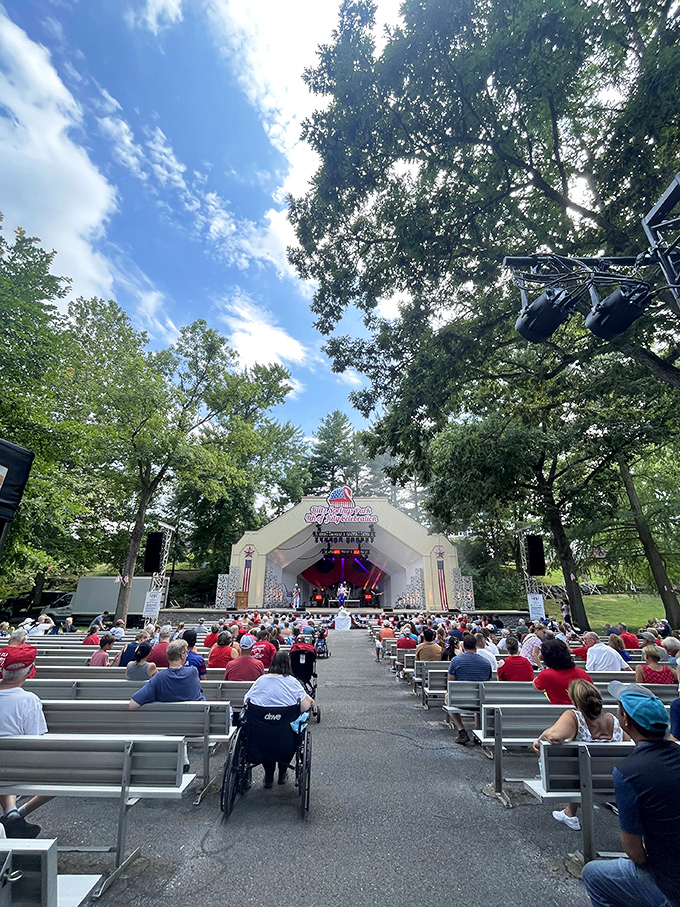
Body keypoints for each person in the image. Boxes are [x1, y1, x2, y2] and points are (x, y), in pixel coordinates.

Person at [581, 682, 680, 907]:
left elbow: (635, 852)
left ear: (625, 721)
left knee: (593, 874)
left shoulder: (628, 772)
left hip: (670, 885)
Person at [533, 679, 627, 831]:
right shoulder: (613, 719)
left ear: (575, 699)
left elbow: (555, 737)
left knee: (581, 768)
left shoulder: (575, 717)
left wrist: (541, 737)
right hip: (612, 781)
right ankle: (569, 813)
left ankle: (570, 814)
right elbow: (627, 744)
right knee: (584, 767)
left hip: (578, 781)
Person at [0, 647, 53, 838]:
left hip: (6, 765)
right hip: (16, 767)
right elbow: (35, 743)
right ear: (31, 671)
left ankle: (12, 814)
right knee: (63, 775)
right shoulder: (29, 700)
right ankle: (16, 815)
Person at [243, 651, 313, 788]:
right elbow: (304, 706)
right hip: (286, 738)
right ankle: (282, 771)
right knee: (291, 730)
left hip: (259, 737)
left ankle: (269, 774)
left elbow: (247, 701)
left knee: (266, 737)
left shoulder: (261, 681)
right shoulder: (293, 682)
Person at [446, 635, 493, 744]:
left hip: (460, 700)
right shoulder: (486, 662)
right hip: (480, 700)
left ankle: (461, 729)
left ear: (463, 646)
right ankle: (477, 730)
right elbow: (488, 680)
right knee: (480, 696)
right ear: (476, 646)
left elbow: (450, 682)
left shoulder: (455, 661)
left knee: (448, 697)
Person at [533, 639, 591, 705]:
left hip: (556, 711)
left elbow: (536, 686)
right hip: (580, 710)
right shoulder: (581, 672)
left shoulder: (546, 674)